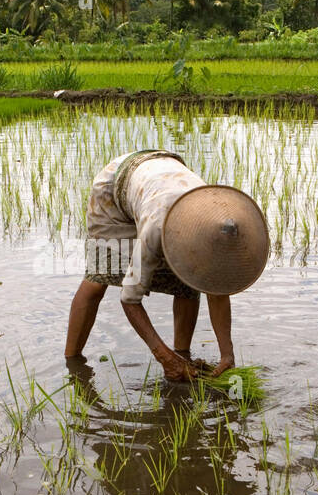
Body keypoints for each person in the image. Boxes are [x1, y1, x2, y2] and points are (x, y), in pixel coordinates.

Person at [64, 149, 269, 381]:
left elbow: (216, 290)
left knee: (189, 280)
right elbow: (130, 299)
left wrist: (227, 355)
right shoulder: (156, 228)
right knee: (99, 277)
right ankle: (72, 364)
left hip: (162, 177)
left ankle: (183, 358)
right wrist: (163, 356)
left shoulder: (216, 215)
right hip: (114, 189)